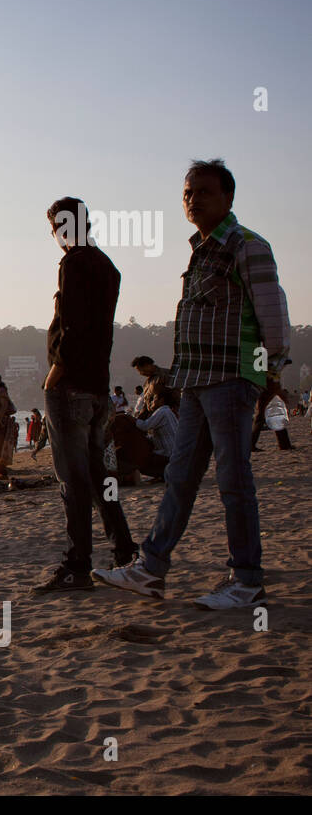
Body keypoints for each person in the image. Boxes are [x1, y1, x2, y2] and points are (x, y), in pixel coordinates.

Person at [95, 160, 291, 608]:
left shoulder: (248, 246)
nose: (193, 199)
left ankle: (246, 580)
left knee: (233, 478)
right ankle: (151, 569)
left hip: (231, 378)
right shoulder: (201, 250)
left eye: (204, 191)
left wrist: (270, 374)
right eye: (187, 192)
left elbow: (273, 316)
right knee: (181, 476)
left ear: (229, 198)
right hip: (198, 382)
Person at [32, 196, 138, 595]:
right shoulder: (107, 266)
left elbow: (72, 326)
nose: (56, 235)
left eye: (56, 226)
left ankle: (78, 564)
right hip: (97, 386)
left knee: (73, 480)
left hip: (71, 386)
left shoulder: (73, 263)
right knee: (98, 477)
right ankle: (125, 551)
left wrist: (54, 374)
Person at [136, 400, 179, 478]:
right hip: (175, 451)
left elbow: (145, 426)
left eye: (153, 400)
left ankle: (163, 474)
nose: (151, 402)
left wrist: (132, 419)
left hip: (169, 453)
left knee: (141, 463)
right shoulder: (168, 411)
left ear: (161, 400)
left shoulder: (162, 411)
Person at [251, 379, 294, 451]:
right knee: (262, 418)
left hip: (266, 390)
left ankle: (284, 444)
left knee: (262, 418)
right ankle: (284, 444)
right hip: (268, 390)